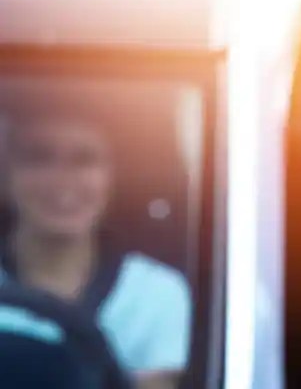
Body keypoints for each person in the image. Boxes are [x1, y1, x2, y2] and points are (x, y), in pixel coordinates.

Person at [0, 113, 191, 389]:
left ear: (113, 176)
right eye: (39, 158)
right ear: (6, 176)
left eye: (84, 160)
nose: (61, 181)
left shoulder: (156, 294)